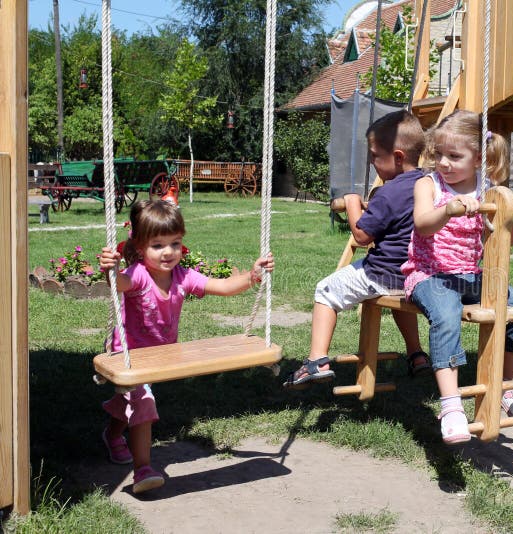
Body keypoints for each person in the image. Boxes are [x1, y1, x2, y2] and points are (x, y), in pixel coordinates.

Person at [98, 200, 274, 494]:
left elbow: (223, 287)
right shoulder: (139, 274)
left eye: (175, 243)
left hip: (160, 354)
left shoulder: (183, 277)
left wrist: (252, 276)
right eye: (157, 245)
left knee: (131, 401)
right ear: (140, 248)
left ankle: (112, 435)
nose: (168, 252)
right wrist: (110, 269)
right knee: (142, 401)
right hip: (129, 354)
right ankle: (143, 470)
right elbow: (119, 284)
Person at [401, 110, 513, 444]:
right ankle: (452, 406)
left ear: (479, 157)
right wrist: (447, 209)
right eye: (439, 154)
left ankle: (511, 390)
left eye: (454, 156)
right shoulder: (428, 184)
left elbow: (507, 238)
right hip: (429, 275)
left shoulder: (488, 191)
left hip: (470, 275)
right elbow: (423, 224)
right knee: (446, 315)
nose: (444, 163)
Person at [283, 110, 429, 388]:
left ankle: (317, 360)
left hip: (382, 273)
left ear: (398, 157)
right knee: (400, 303)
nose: (372, 162)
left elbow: (362, 235)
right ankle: (417, 354)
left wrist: (352, 203)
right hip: (412, 275)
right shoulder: (429, 185)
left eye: (375, 156)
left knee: (325, 290)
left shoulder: (390, 192)